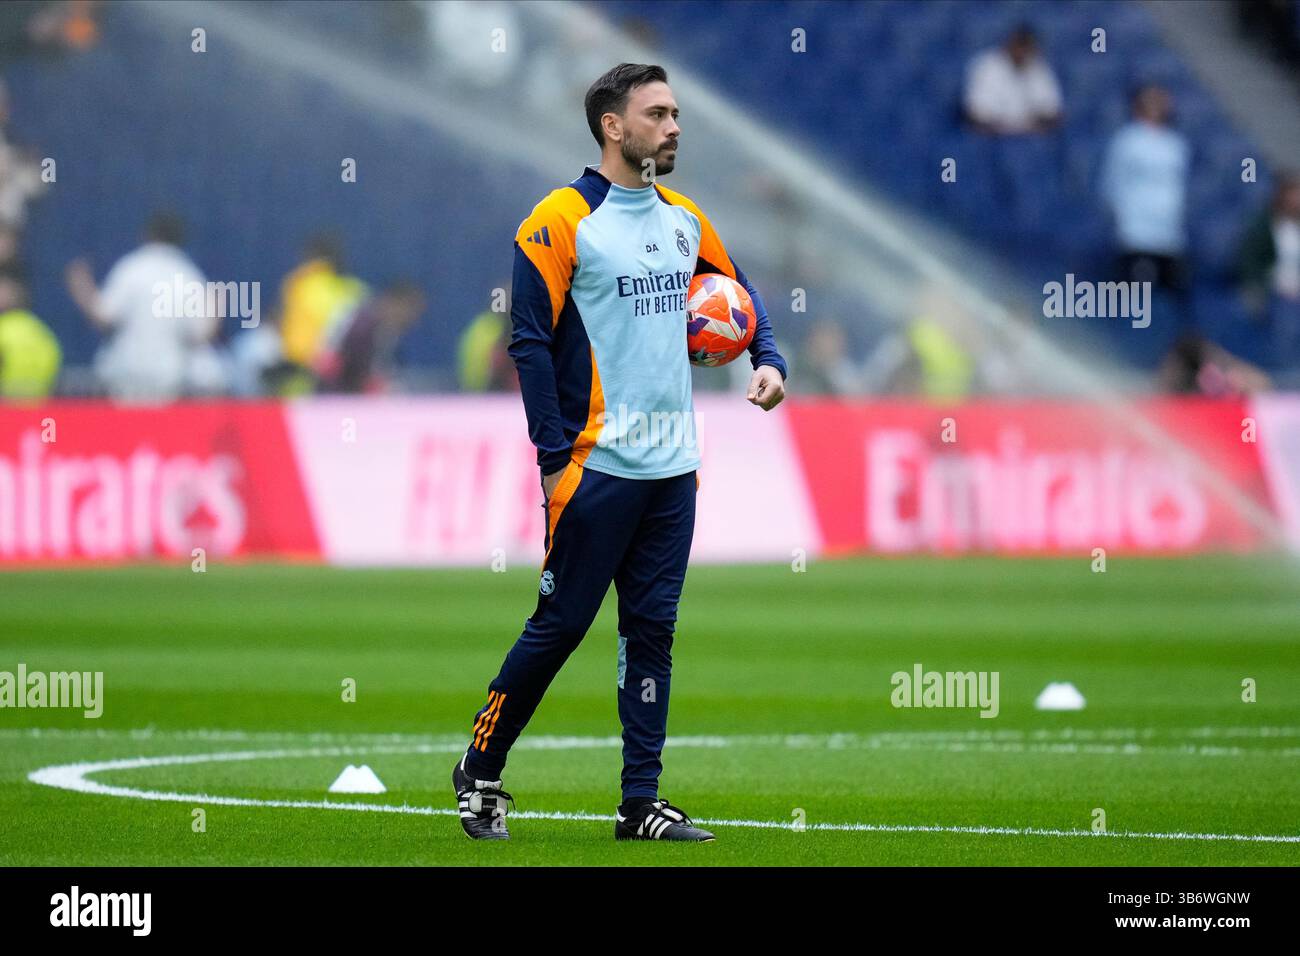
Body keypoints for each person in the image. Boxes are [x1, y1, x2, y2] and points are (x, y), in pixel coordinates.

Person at [452, 62, 788, 843]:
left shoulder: (682, 219)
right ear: (614, 126)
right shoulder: (558, 221)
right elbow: (529, 343)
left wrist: (767, 357)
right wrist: (551, 457)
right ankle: (482, 763)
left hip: (675, 469)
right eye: (659, 114)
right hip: (594, 465)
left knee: (652, 630)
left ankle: (640, 804)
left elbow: (738, 293)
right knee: (561, 624)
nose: (675, 127)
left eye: (676, 114)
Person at [64, 212, 220, 401]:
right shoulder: (188, 275)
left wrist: (81, 286)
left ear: (147, 235)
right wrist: (215, 309)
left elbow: (104, 316)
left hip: (125, 374)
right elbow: (202, 335)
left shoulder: (132, 269)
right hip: (169, 378)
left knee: (126, 429)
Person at [1099, 85, 1191, 294]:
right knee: (1134, 291)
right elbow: (1112, 182)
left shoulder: (1176, 145)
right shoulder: (1127, 139)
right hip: (1135, 230)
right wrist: (1120, 217)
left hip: (1168, 234)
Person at [964, 24, 1063, 135]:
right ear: (1010, 45)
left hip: (1030, 136)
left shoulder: (1039, 67)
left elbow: (1053, 112)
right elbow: (975, 113)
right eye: (1020, 45)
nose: (1022, 51)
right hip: (992, 136)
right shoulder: (987, 66)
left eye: (1027, 47)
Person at [0, 266, 60, 399]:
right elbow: (54, 358)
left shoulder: (3, 328)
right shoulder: (39, 328)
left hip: (6, 403)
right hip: (37, 404)